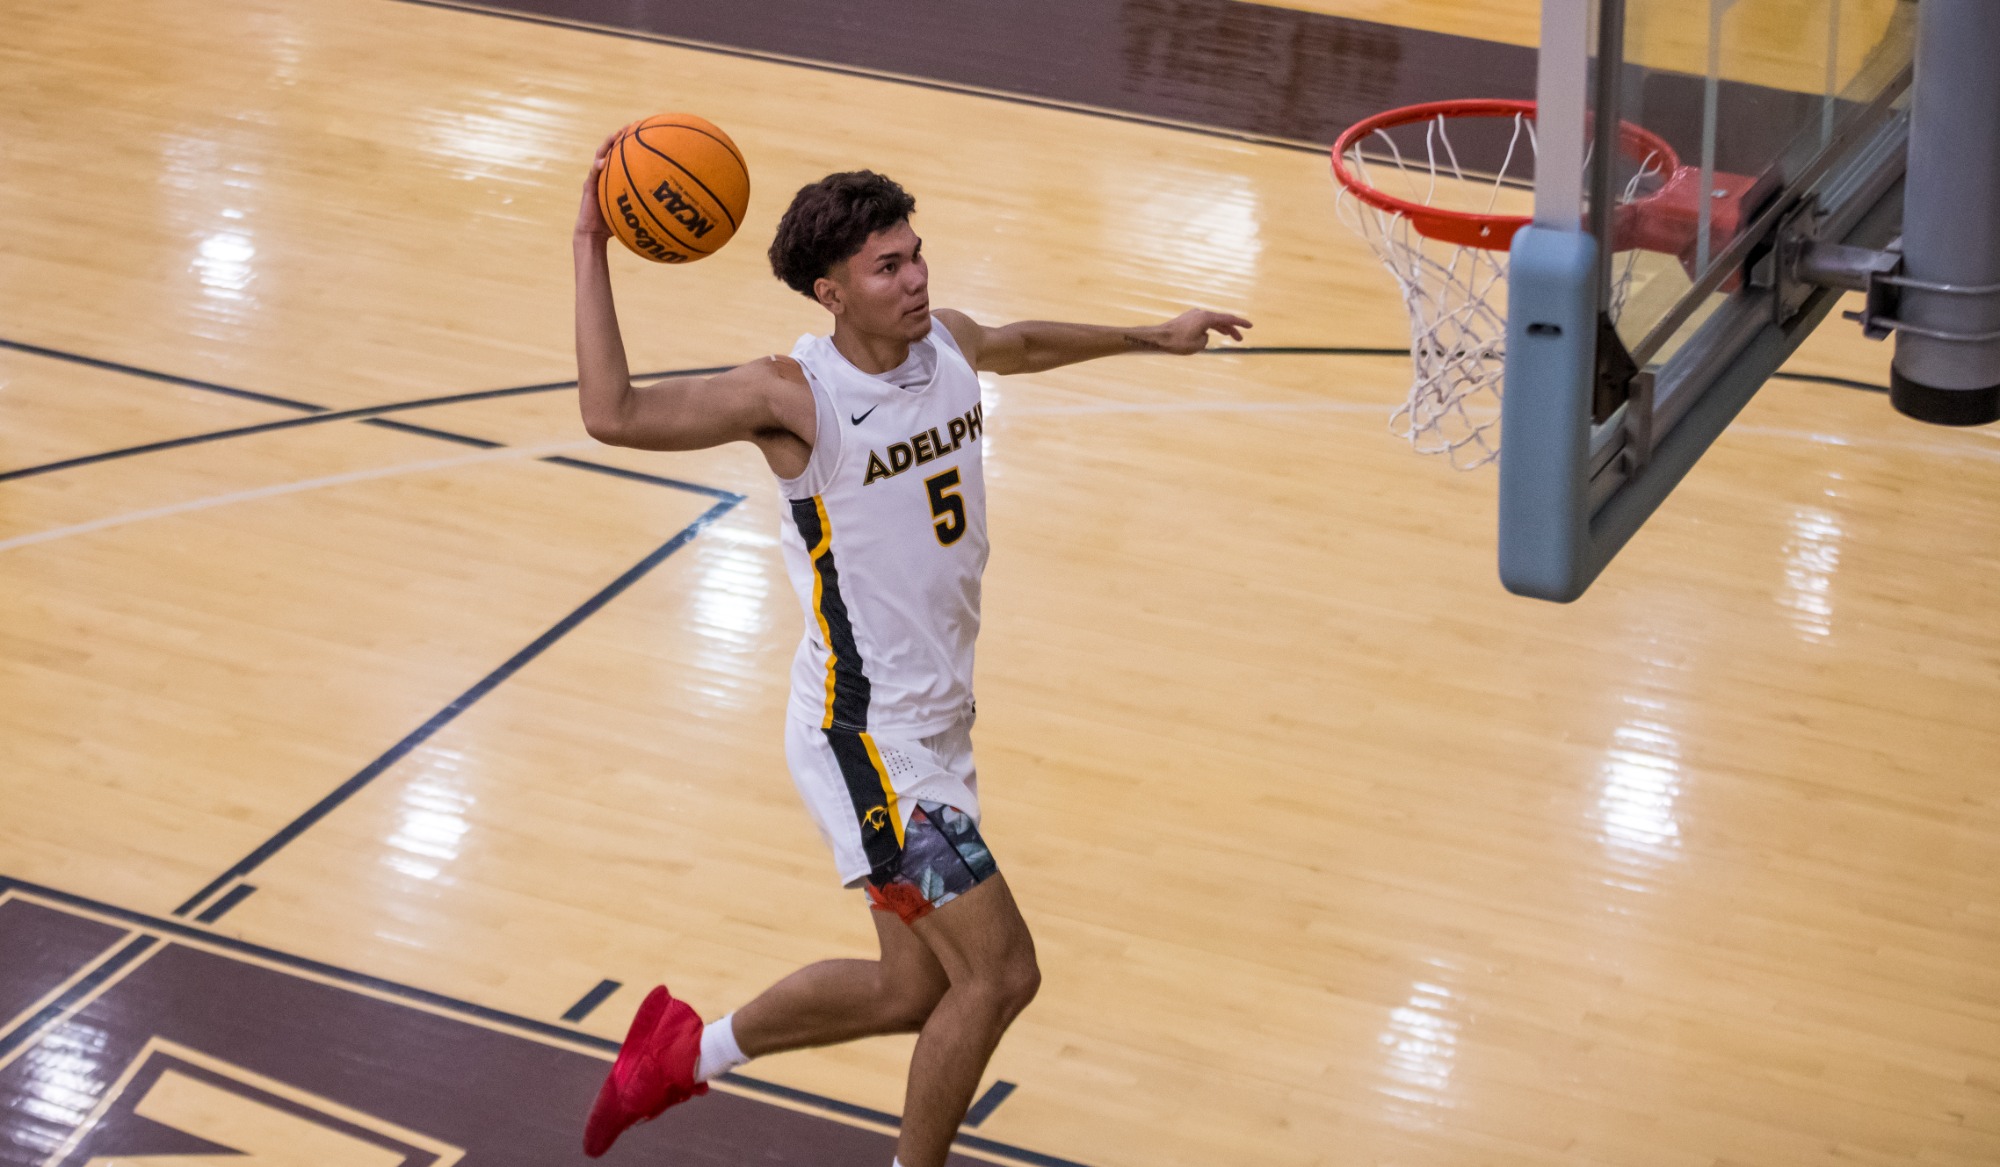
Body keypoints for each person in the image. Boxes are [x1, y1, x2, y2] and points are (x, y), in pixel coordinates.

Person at [571, 132, 1251, 1167]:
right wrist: (591, 244)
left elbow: (1018, 342)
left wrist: (1153, 336)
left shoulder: (947, 348)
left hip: (935, 729)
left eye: (916, 254)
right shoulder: (791, 396)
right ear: (830, 293)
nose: (917, 278)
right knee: (1001, 973)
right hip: (868, 741)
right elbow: (611, 414)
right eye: (887, 266)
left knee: (910, 988)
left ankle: (676, 1057)